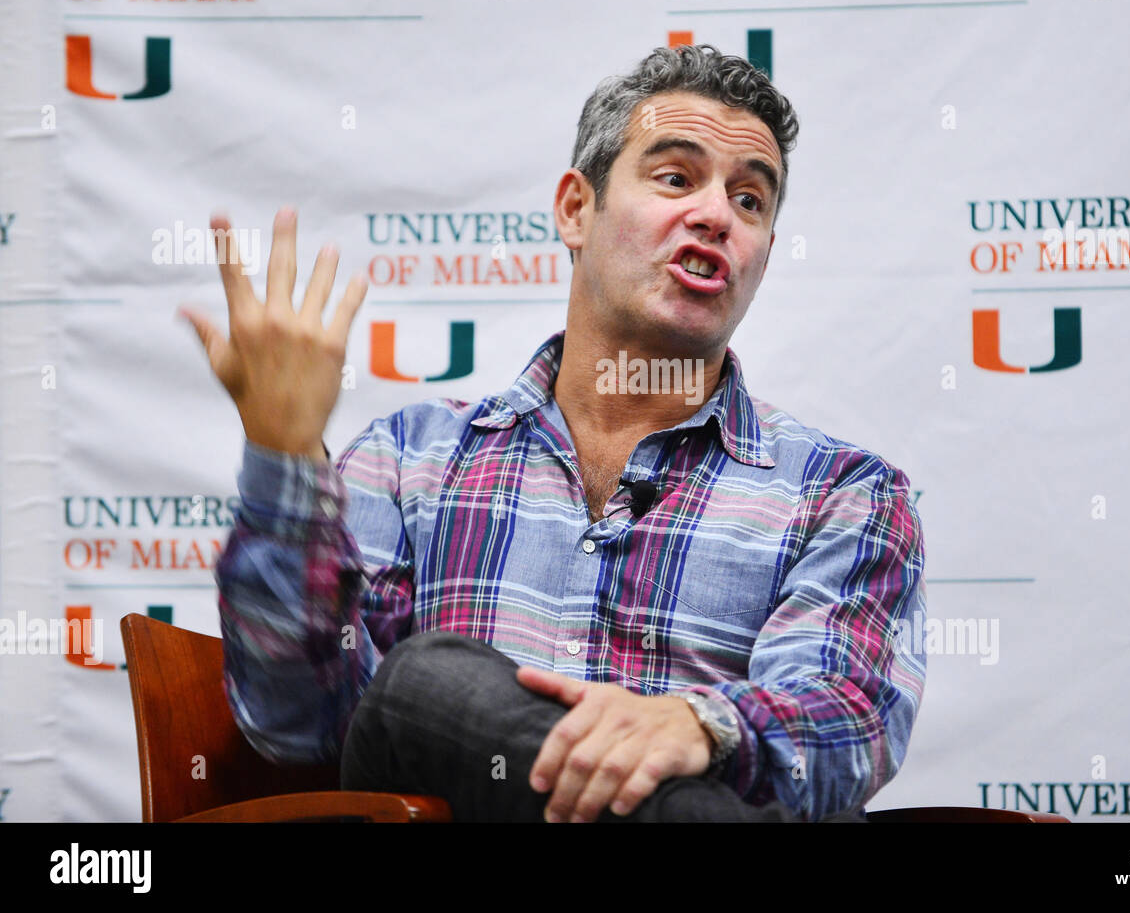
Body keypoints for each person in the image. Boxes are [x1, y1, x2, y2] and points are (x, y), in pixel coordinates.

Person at [183, 44, 926, 823]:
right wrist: (284, 457)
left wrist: (697, 723)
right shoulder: (411, 459)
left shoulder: (845, 493)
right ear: (576, 209)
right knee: (422, 689)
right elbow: (298, 720)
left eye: (750, 201)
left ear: (765, 254)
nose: (716, 215)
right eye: (676, 178)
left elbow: (845, 723)